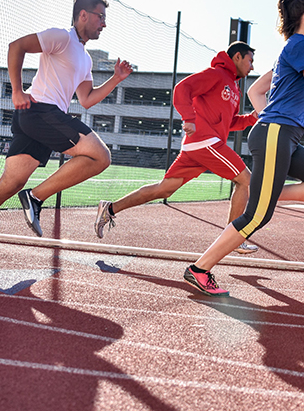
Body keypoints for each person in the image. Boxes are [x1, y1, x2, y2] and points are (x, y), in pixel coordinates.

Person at [182, 0, 304, 296]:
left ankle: (269, 192)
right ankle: (199, 269)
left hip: (286, 137)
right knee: (257, 215)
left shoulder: (290, 51)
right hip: (275, 134)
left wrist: (267, 115)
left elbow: (256, 91)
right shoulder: (302, 45)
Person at [0, 0, 133, 261]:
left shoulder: (85, 59)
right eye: (101, 17)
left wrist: (115, 79)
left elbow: (86, 99)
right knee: (101, 156)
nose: (104, 24)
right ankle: (36, 198)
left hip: (38, 117)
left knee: (10, 183)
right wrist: (17, 91)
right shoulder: (61, 37)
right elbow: (16, 46)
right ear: (83, 15)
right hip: (40, 110)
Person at [93, 42, 260, 254]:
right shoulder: (216, 74)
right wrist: (189, 118)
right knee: (246, 180)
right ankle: (233, 239)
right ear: (237, 57)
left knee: (164, 189)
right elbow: (182, 89)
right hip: (205, 142)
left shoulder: (234, 88)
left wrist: (249, 119)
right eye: (250, 60)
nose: (252, 67)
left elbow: (228, 122)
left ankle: (109, 208)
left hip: (200, 146)